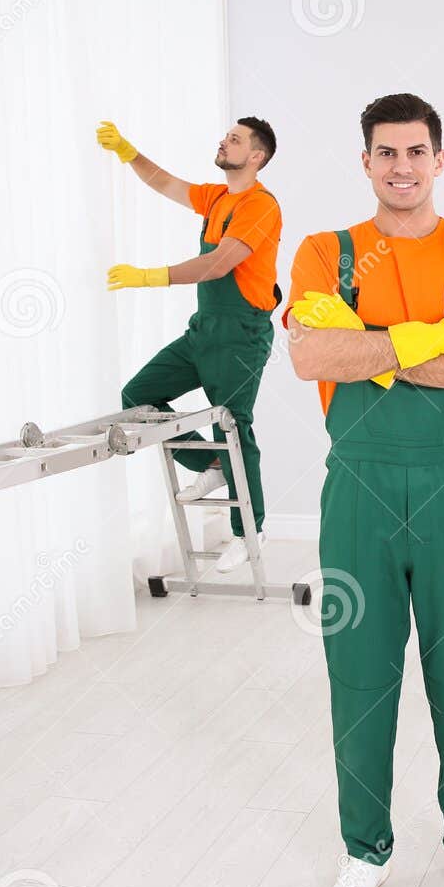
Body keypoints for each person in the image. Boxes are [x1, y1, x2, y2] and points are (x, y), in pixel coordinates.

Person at [284, 93, 444, 887]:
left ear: (439, 159)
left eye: (416, 151)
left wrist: (370, 344)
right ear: (365, 162)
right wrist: (437, 334)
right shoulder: (325, 251)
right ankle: (364, 851)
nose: (402, 166)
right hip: (359, 488)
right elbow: (310, 355)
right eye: (385, 152)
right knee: (359, 673)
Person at [99, 117, 282, 573]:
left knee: (232, 425)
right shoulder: (217, 197)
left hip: (240, 336)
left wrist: (150, 277)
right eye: (226, 136)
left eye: (234, 139)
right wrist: (128, 152)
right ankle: (212, 464)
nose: (224, 141)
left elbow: (219, 263)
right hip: (202, 332)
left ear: (256, 156)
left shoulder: (260, 206)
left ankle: (250, 530)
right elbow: (165, 183)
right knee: (138, 397)